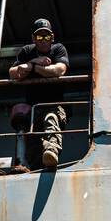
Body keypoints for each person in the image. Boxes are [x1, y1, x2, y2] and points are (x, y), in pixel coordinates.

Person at [9, 18, 69, 170]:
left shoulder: (58, 49)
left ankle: (51, 152)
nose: (43, 40)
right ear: (33, 39)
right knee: (33, 140)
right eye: (40, 37)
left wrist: (32, 68)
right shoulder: (27, 51)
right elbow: (13, 73)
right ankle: (37, 167)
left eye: (47, 37)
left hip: (53, 103)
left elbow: (59, 70)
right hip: (33, 107)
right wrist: (35, 61)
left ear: (52, 38)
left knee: (51, 120)